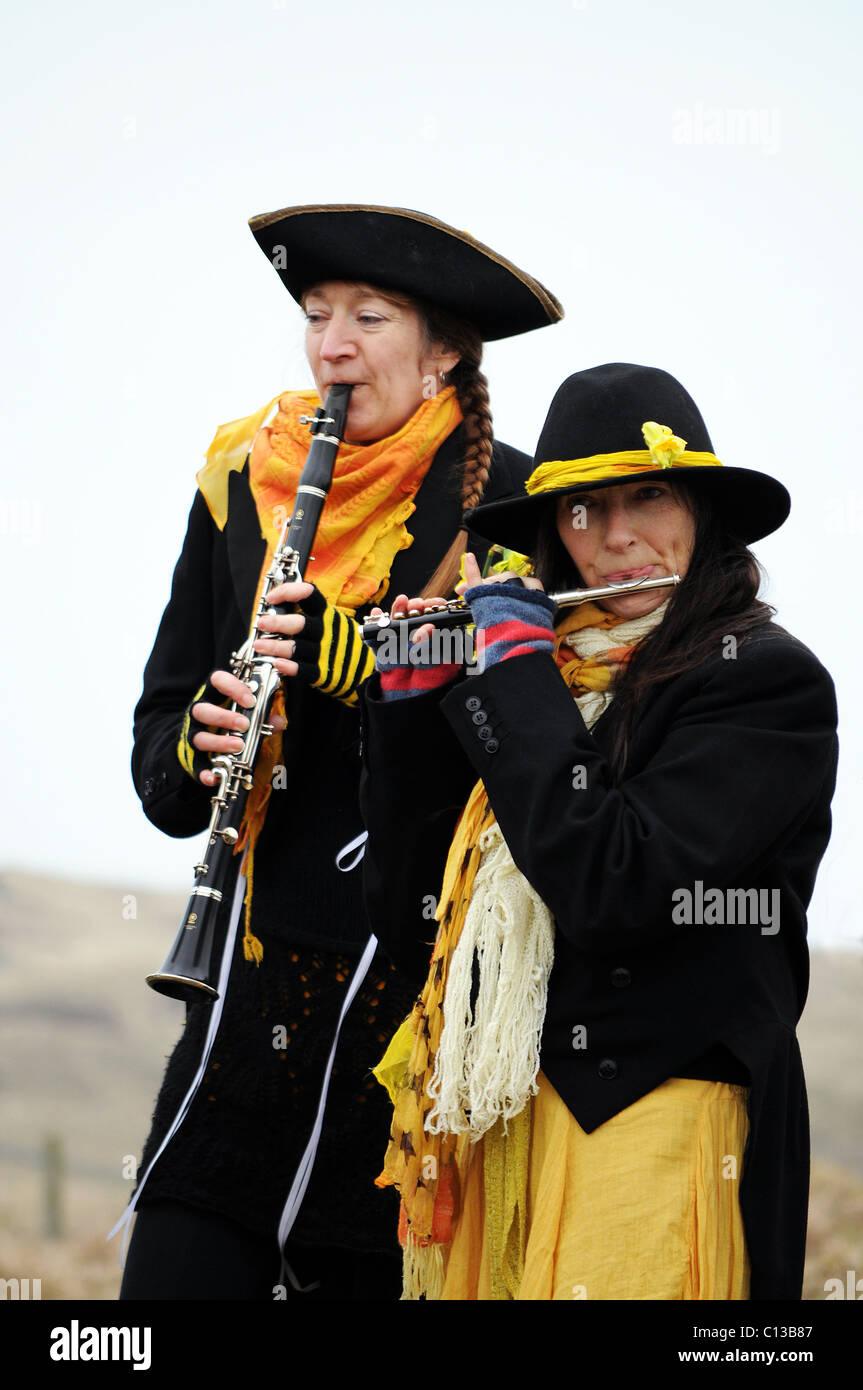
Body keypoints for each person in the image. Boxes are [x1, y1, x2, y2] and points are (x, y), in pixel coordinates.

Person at [116, 204, 562, 1300]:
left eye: (370, 316)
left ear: (444, 349)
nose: (331, 346)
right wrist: (200, 744)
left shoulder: (509, 499)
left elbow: (520, 746)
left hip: (403, 1008)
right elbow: (156, 760)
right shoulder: (238, 479)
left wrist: (359, 660)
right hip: (247, 996)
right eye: (316, 316)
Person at [359, 362, 838, 1301]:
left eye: (649, 497)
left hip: (657, 1123)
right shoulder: (528, 679)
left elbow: (617, 888)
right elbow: (408, 919)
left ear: (700, 513)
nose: (618, 539)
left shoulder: (762, 682)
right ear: (552, 536)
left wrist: (513, 682)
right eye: (584, 510)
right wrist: (415, 714)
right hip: (501, 1126)